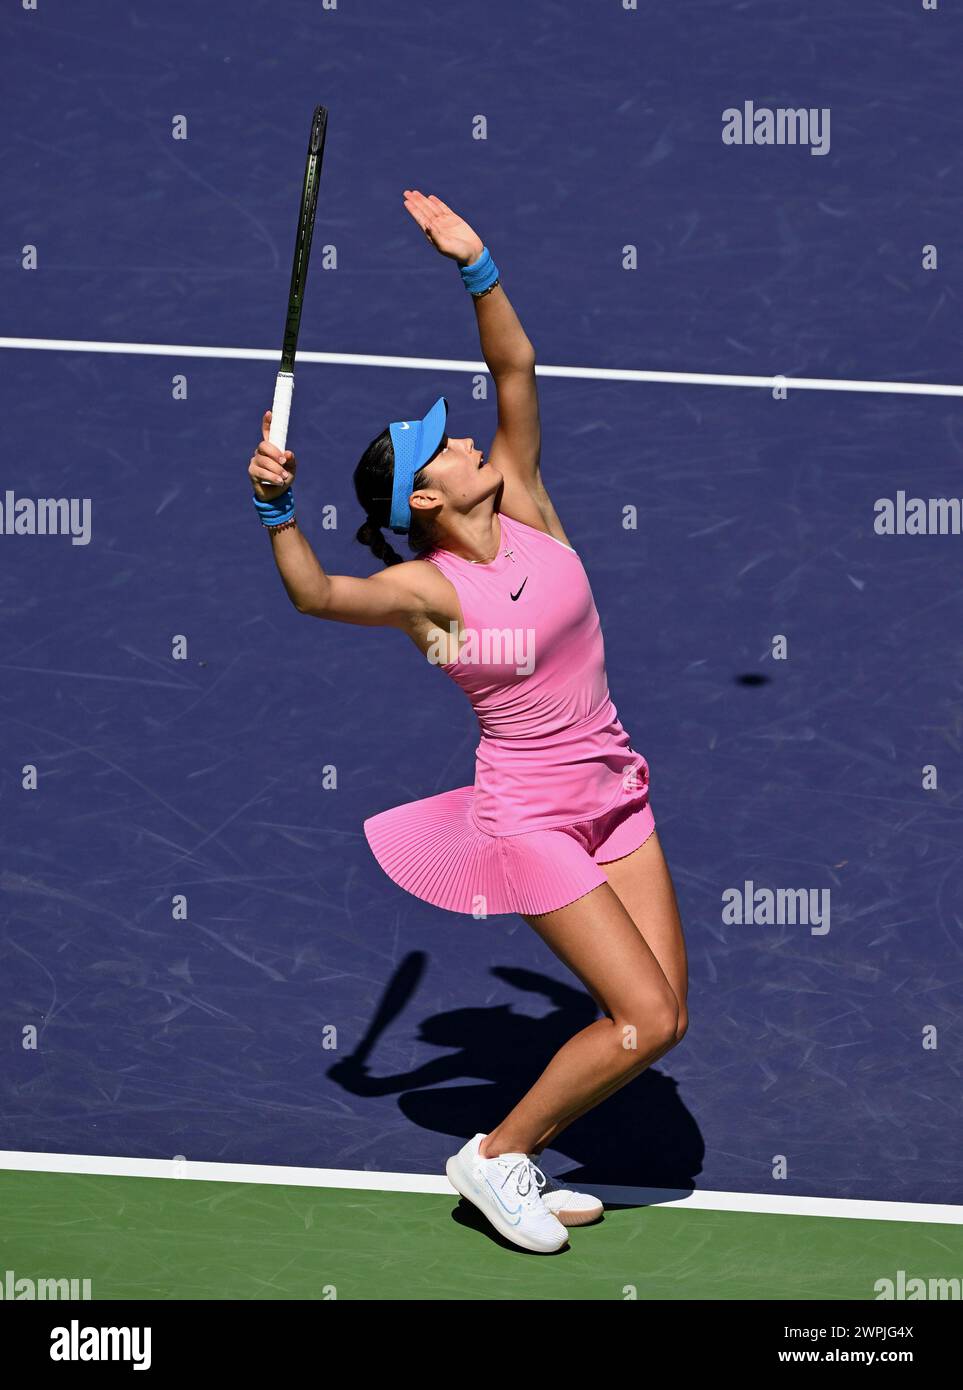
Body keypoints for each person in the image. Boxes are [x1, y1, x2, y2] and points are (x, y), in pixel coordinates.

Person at [247, 190, 688, 1254]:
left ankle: (515, 1150)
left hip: (612, 787)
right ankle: (492, 1160)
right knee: (648, 1020)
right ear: (429, 503)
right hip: (529, 817)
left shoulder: (524, 500)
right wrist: (275, 511)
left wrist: (475, 261)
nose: (463, 444)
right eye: (439, 451)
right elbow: (319, 595)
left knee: (659, 1014)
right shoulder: (430, 594)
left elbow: (516, 369)